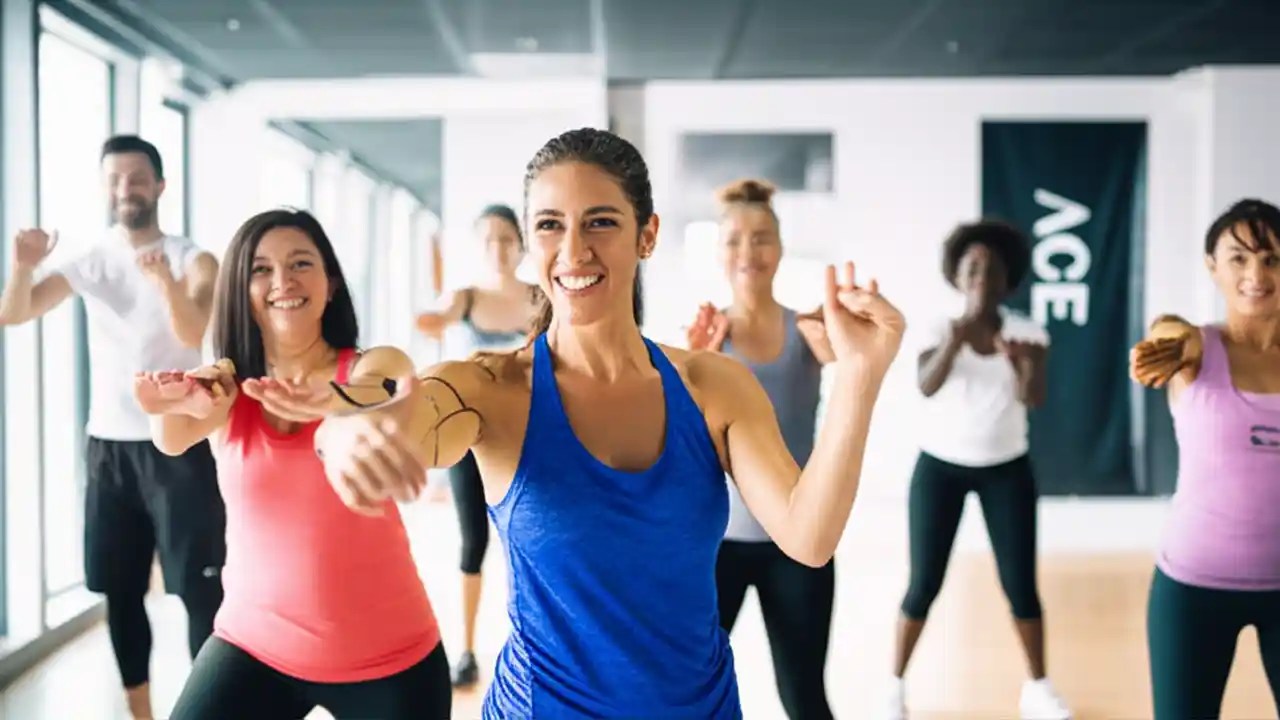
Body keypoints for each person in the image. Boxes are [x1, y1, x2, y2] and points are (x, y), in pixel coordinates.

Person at [314, 127, 906, 719]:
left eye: (600, 222)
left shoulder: (713, 385)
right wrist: (346, 431)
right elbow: (402, 403)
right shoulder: (492, 388)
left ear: (645, 235)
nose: (573, 252)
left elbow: (808, 537)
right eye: (549, 225)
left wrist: (859, 376)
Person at [132, 209, 450, 719]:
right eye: (261, 269)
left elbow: (390, 382)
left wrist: (334, 403)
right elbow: (172, 438)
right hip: (253, 645)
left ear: (332, 282)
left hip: (389, 657)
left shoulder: (369, 364)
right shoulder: (229, 385)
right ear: (241, 288)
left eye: (301, 263)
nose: (283, 281)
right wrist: (181, 404)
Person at [0, 135, 224, 720]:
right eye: (116, 179)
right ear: (107, 188)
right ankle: (142, 715)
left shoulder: (194, 257)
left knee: (198, 591)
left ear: (159, 186)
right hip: (108, 449)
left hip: (178, 444)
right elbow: (14, 313)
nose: (126, 189)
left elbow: (196, 327)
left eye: (137, 178)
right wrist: (23, 267)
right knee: (120, 592)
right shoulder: (89, 258)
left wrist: (165, 283)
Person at [886, 220, 1070, 720]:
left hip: (1006, 469)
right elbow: (925, 384)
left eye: (991, 269)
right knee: (924, 581)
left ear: (1008, 279)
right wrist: (957, 338)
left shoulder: (1028, 333)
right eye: (972, 268)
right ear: (957, 276)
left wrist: (1019, 362)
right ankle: (894, 687)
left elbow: (1033, 398)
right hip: (940, 468)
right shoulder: (936, 327)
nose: (981, 277)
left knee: (1020, 585)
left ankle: (1038, 688)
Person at [684, 178, 835, 719]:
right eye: (734, 239)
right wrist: (696, 363)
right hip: (715, 542)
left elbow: (853, 380)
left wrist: (844, 343)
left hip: (796, 540)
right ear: (720, 252)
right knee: (689, 689)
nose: (749, 251)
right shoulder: (704, 337)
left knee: (803, 694)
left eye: (762, 237)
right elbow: (680, 446)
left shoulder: (810, 332)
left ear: (781, 248)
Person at [1130, 198, 1280, 719]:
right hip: (1192, 588)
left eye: (1272, 259)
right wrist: (1164, 338)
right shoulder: (1196, 351)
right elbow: (1172, 329)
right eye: (1239, 258)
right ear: (1212, 266)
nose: (1256, 274)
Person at [415, 203, 539, 688]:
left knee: (527, 542)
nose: (498, 249)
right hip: (469, 436)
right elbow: (432, 320)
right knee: (473, 542)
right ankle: (465, 649)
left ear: (521, 244)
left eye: (507, 239)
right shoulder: (465, 298)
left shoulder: (538, 295)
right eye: (488, 240)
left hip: (526, 435)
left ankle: (532, 644)